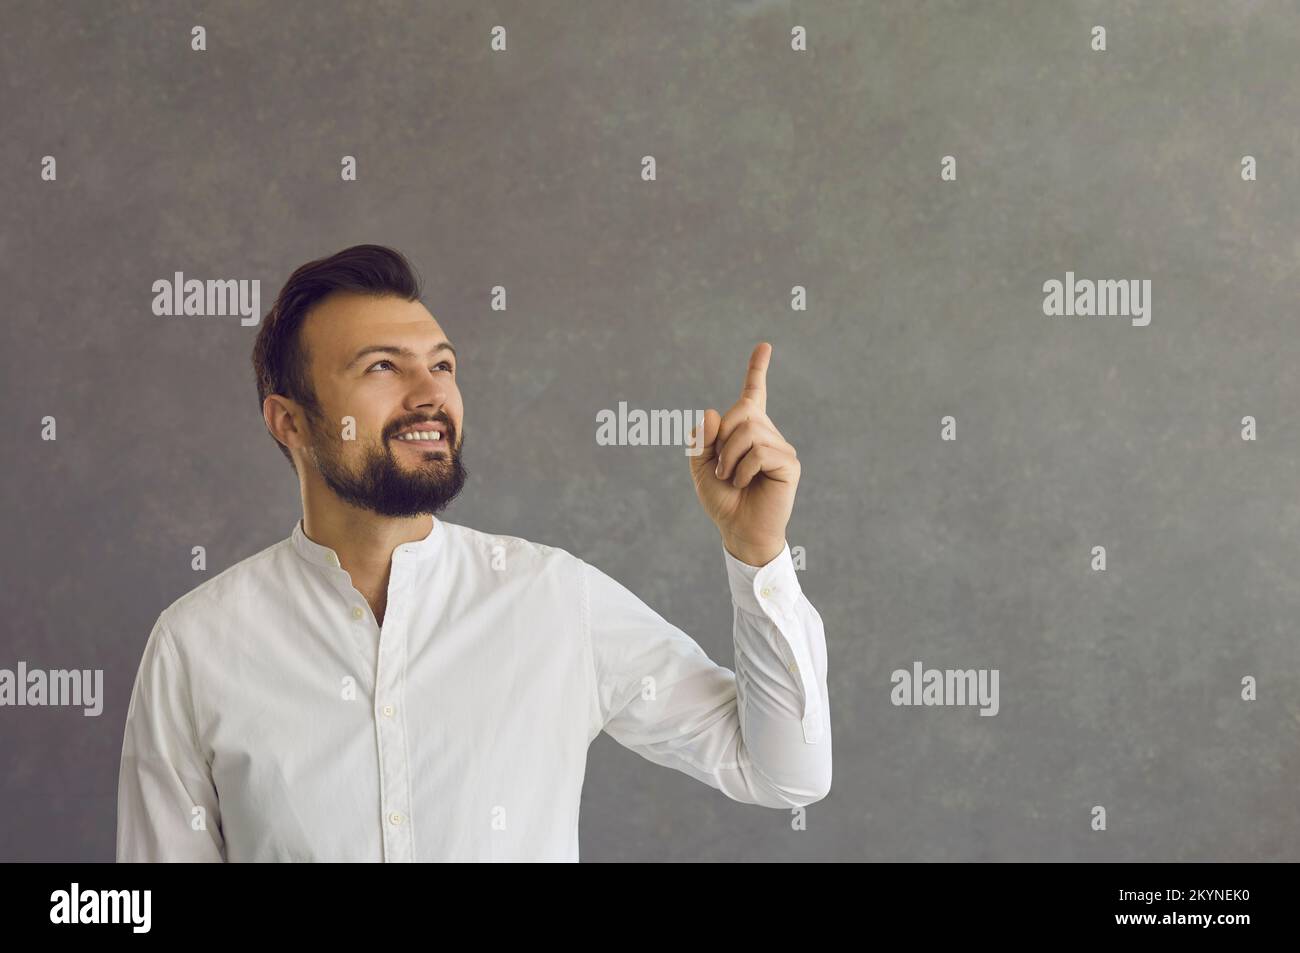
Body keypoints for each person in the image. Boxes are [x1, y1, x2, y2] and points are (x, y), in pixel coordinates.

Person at [116, 244, 831, 862]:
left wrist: (758, 553)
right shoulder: (198, 645)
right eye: (382, 368)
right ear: (291, 421)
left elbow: (784, 773)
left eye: (443, 364)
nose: (431, 394)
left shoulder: (554, 601)